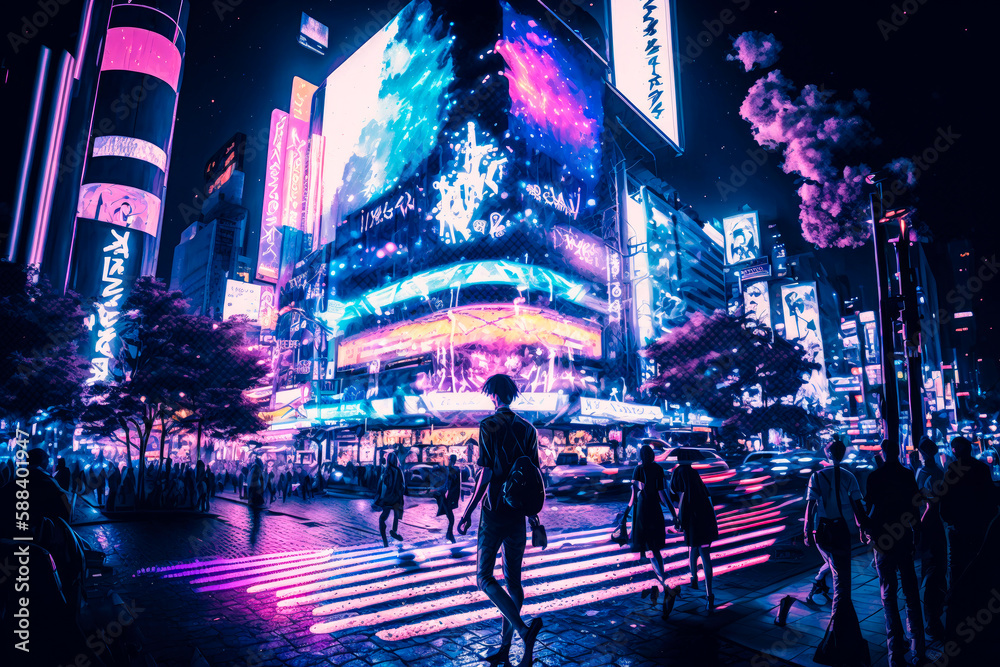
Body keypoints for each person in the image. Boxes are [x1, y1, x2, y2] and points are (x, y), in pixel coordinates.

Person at [457, 374, 543, 667]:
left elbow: (486, 474)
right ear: (512, 394)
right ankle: (508, 650)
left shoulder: (488, 426)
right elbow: (532, 479)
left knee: (484, 577)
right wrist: (534, 520)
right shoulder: (528, 429)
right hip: (518, 514)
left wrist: (467, 512)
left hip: (494, 511)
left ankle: (521, 629)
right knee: (514, 580)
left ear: (493, 395)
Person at [804, 438, 870, 666]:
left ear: (827, 453)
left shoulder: (817, 476)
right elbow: (857, 506)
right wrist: (863, 529)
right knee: (842, 579)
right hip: (841, 530)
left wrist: (806, 531)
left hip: (822, 530)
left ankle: (838, 629)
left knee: (837, 574)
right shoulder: (849, 477)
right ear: (842, 454)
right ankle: (839, 631)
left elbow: (811, 506)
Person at [864, 438, 925, 666]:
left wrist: (867, 528)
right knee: (910, 591)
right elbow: (915, 505)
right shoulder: (907, 475)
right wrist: (917, 530)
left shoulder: (875, 476)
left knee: (888, 593)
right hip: (903, 535)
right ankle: (918, 649)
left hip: (882, 538)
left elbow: (869, 505)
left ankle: (895, 651)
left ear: (882, 452)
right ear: (898, 452)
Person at [939, 436, 999, 590]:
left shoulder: (952, 469)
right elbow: (990, 496)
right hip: (979, 523)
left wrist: (949, 520)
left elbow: (946, 497)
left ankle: (957, 594)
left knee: (957, 560)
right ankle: (979, 591)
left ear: (955, 451)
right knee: (978, 557)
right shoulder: (982, 468)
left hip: (959, 524)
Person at [624, 444, 676, 612]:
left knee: (644, 546)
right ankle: (662, 579)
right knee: (655, 547)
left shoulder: (638, 469)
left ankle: (659, 581)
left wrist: (626, 512)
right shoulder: (658, 469)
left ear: (641, 455)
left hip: (641, 511)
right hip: (655, 510)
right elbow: (662, 493)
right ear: (653, 455)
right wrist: (673, 512)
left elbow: (634, 494)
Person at [669, 447, 719, 610]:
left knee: (693, 547)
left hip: (691, 518)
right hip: (705, 517)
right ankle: (708, 593)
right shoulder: (694, 473)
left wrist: (678, 517)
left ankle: (694, 579)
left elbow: (678, 498)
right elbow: (707, 496)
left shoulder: (677, 473)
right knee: (704, 552)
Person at [915, 436, 947, 640]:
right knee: (938, 569)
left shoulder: (924, 473)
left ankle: (932, 620)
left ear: (924, 454)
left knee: (931, 571)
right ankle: (936, 615)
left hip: (929, 526)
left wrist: (919, 527)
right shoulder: (940, 471)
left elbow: (928, 504)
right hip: (937, 527)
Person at [373, 453, 405, 546]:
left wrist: (379, 497)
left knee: (382, 518)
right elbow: (402, 486)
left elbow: (381, 485)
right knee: (396, 515)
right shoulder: (398, 471)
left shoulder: (385, 470)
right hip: (396, 498)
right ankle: (394, 531)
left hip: (386, 498)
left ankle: (385, 541)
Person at [436, 454, 462, 543]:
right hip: (447, 494)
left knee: (449, 514)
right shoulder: (450, 469)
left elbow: (453, 480)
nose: (449, 460)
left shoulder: (454, 469)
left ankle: (449, 533)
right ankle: (449, 533)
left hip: (451, 495)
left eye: (450, 459)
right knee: (448, 513)